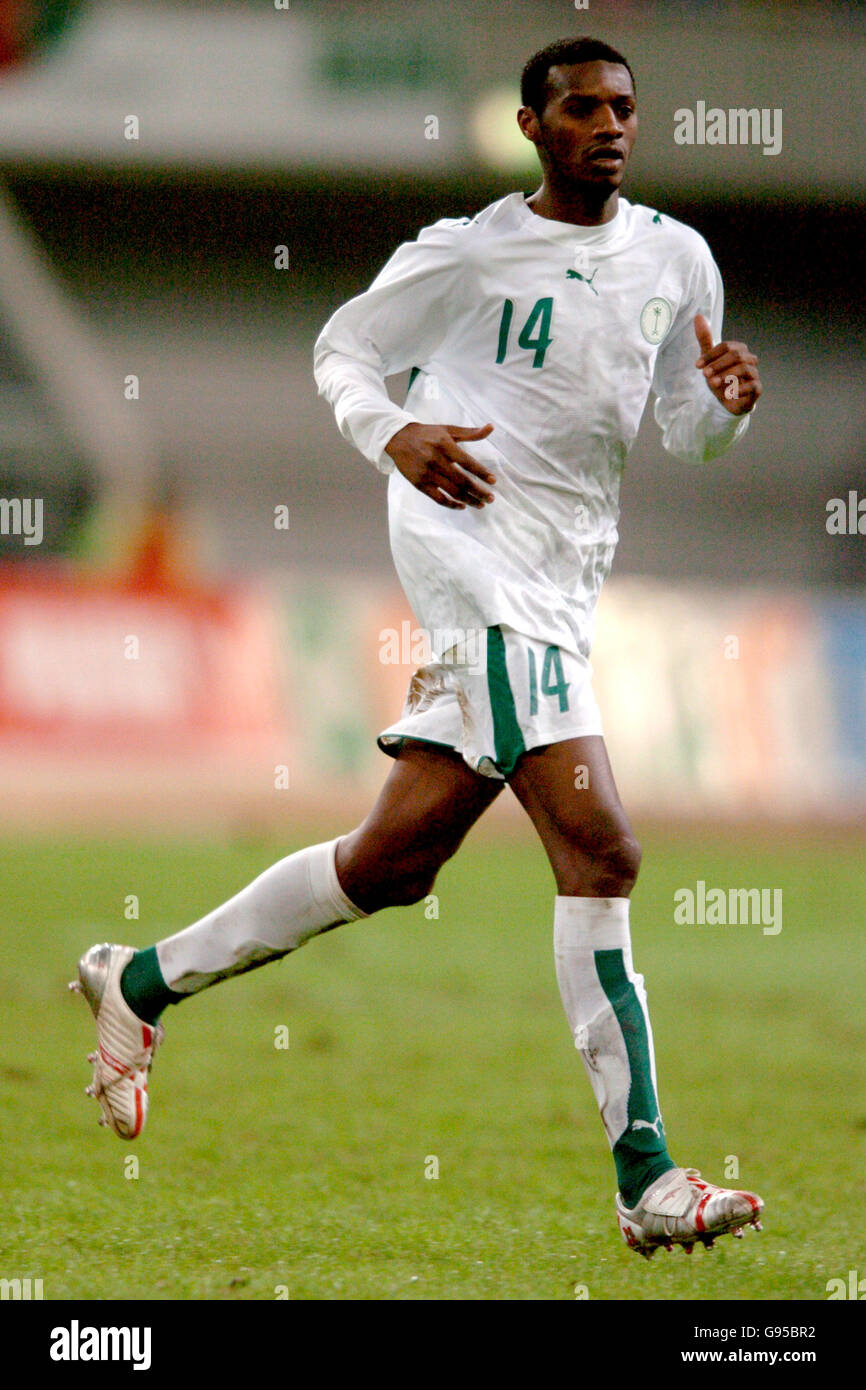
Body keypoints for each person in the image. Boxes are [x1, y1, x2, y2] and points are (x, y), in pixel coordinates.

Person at [71, 36, 764, 1258]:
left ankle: (137, 982)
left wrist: (716, 404)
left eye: (625, 109)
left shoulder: (676, 257)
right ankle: (646, 1177)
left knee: (391, 862)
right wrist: (393, 432)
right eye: (583, 109)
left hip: (561, 586)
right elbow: (339, 349)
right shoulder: (468, 252)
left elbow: (679, 431)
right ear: (531, 125)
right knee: (601, 846)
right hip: (471, 559)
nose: (609, 126)